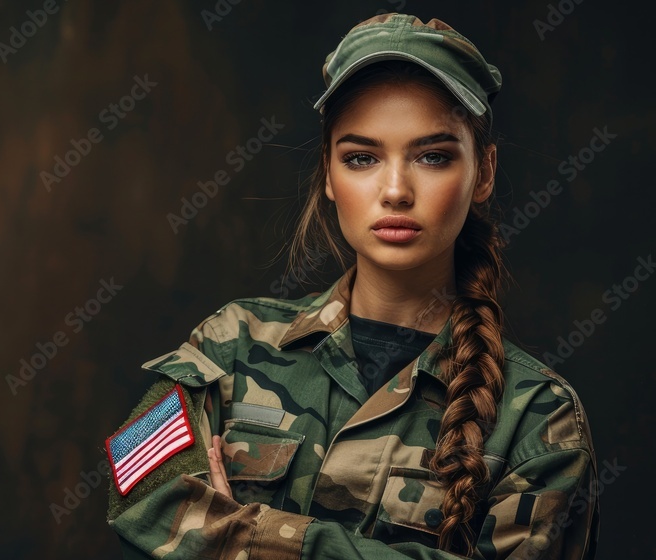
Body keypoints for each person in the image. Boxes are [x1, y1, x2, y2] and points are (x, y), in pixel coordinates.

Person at [103, 12, 599, 559]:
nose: (394, 190)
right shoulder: (231, 346)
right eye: (361, 158)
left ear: (483, 172)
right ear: (329, 174)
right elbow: (137, 491)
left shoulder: (538, 419)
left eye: (432, 157)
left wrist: (248, 538)